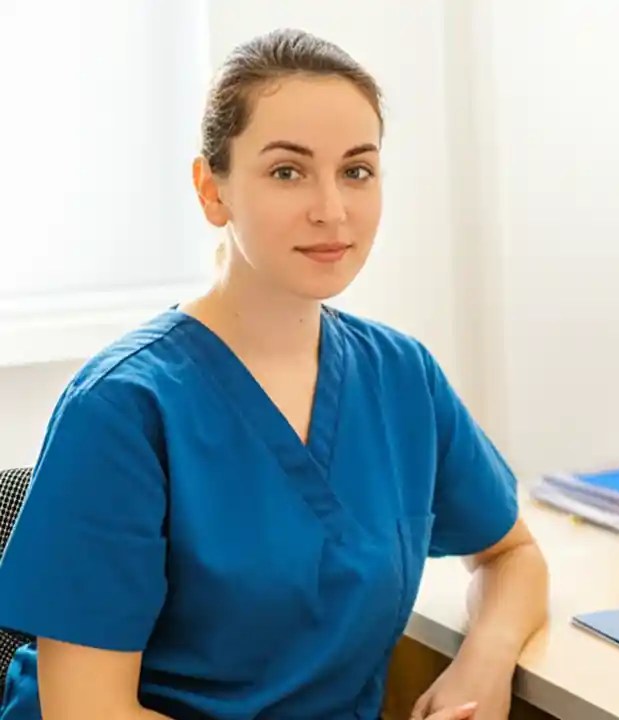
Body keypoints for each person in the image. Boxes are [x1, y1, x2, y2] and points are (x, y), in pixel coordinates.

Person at [0, 28, 548, 720]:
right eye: (288, 172)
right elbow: (88, 713)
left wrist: (484, 662)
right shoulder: (122, 408)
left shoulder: (400, 377)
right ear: (212, 190)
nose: (332, 209)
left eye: (357, 170)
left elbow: (513, 555)